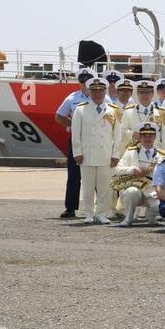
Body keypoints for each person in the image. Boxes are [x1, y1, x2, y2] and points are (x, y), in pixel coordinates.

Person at [70, 76, 122, 225]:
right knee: (87, 186)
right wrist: (77, 152)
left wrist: (115, 154)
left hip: (105, 154)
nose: (97, 93)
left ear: (105, 91)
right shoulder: (81, 109)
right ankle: (88, 213)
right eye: (94, 90)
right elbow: (75, 133)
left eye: (100, 90)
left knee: (104, 187)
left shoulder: (113, 110)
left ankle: (102, 214)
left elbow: (117, 135)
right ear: (90, 91)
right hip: (87, 154)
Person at [55, 69, 94, 218]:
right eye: (83, 82)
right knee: (73, 174)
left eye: (88, 81)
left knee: (96, 173)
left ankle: (101, 207)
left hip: (95, 139)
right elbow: (59, 116)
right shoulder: (72, 98)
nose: (85, 84)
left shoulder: (101, 97)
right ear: (80, 83)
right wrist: (72, 124)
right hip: (76, 139)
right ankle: (70, 208)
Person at [112, 121, 162, 227]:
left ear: (155, 136)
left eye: (151, 135)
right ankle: (128, 218)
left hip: (152, 191)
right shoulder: (130, 152)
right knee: (131, 192)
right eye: (144, 135)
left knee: (158, 206)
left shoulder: (162, 155)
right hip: (136, 189)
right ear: (139, 137)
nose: (147, 138)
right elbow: (116, 170)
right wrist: (132, 169)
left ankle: (151, 216)